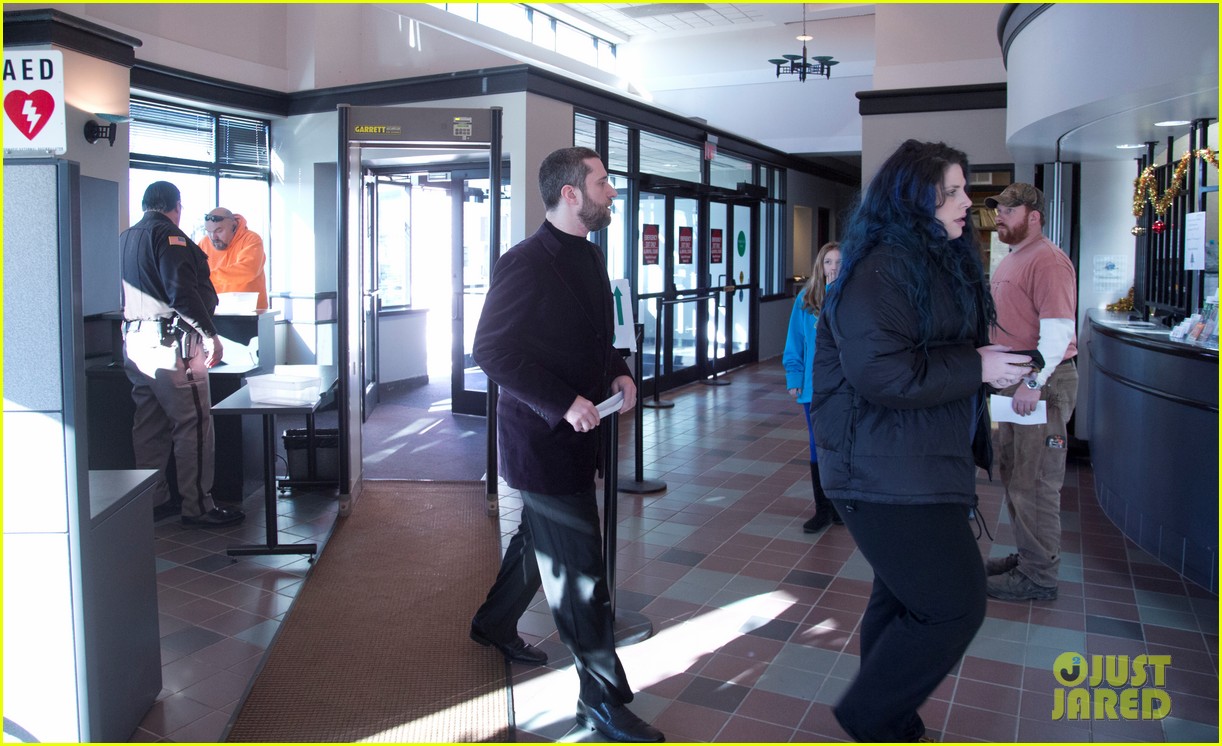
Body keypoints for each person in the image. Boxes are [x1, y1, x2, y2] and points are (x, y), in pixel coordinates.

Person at [809, 140, 1032, 742]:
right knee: (955, 603)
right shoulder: (882, 267)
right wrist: (978, 369)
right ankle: (871, 716)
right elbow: (882, 373)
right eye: (953, 192)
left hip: (910, 461)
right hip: (877, 470)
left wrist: (990, 364)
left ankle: (889, 725)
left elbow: (931, 354)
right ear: (914, 199)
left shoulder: (925, 259)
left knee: (905, 599)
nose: (968, 203)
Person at [468, 147, 663, 743]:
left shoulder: (590, 255)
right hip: (542, 444)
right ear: (571, 193)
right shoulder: (524, 262)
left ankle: (493, 623)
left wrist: (618, 370)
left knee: (540, 542)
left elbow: (590, 339)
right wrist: (562, 402)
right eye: (603, 182)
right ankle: (599, 704)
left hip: (580, 436)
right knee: (580, 574)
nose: (611, 191)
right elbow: (491, 351)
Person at [121, 181, 246, 529]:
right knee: (193, 423)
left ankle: (153, 500)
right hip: (170, 343)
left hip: (135, 340)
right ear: (175, 206)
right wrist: (210, 336)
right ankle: (198, 505)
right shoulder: (170, 238)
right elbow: (182, 294)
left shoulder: (126, 237)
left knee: (148, 424)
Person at [984, 183, 1079, 601]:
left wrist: (1032, 383)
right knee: (1016, 476)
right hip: (1019, 386)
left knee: (1036, 482)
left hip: (1041, 386)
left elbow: (1058, 333)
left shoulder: (1048, 261)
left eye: (1009, 208)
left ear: (1034, 215)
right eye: (998, 209)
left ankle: (1039, 577)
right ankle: (1028, 558)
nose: (999, 215)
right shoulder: (1014, 258)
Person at [783, 241, 844, 533]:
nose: (834, 268)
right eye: (829, 262)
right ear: (820, 266)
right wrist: (794, 378)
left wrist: (834, 292)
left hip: (844, 387)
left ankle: (841, 506)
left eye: (839, 263)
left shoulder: (850, 296)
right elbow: (795, 341)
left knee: (841, 445)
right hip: (813, 388)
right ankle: (823, 509)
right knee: (817, 446)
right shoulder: (806, 300)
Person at [199, 208, 269, 310]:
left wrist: (206, 277)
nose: (213, 237)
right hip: (216, 310)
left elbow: (248, 271)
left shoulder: (251, 239)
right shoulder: (204, 243)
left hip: (251, 312)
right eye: (209, 232)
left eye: (219, 231)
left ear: (233, 226)